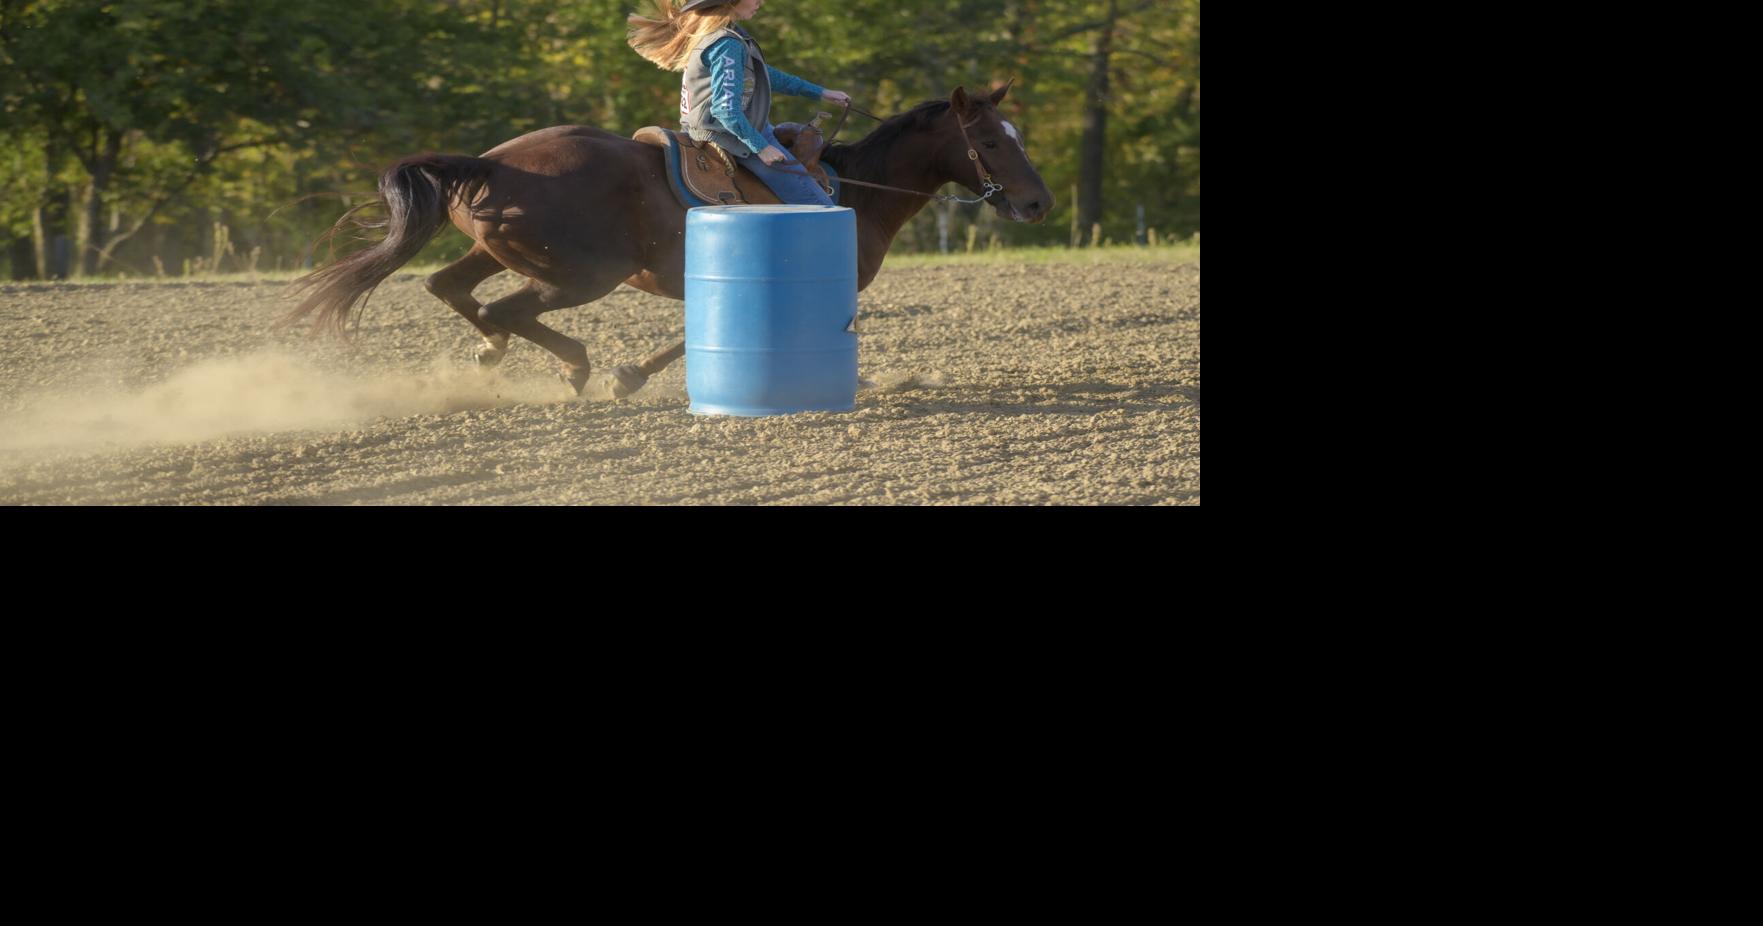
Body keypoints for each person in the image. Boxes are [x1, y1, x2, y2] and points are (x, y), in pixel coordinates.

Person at [628, 0, 850, 206]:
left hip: (708, 131)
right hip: (731, 137)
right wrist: (761, 147)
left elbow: (762, 73)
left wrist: (819, 92)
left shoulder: (718, 35)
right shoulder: (727, 43)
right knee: (820, 207)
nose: (760, 2)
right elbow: (726, 111)